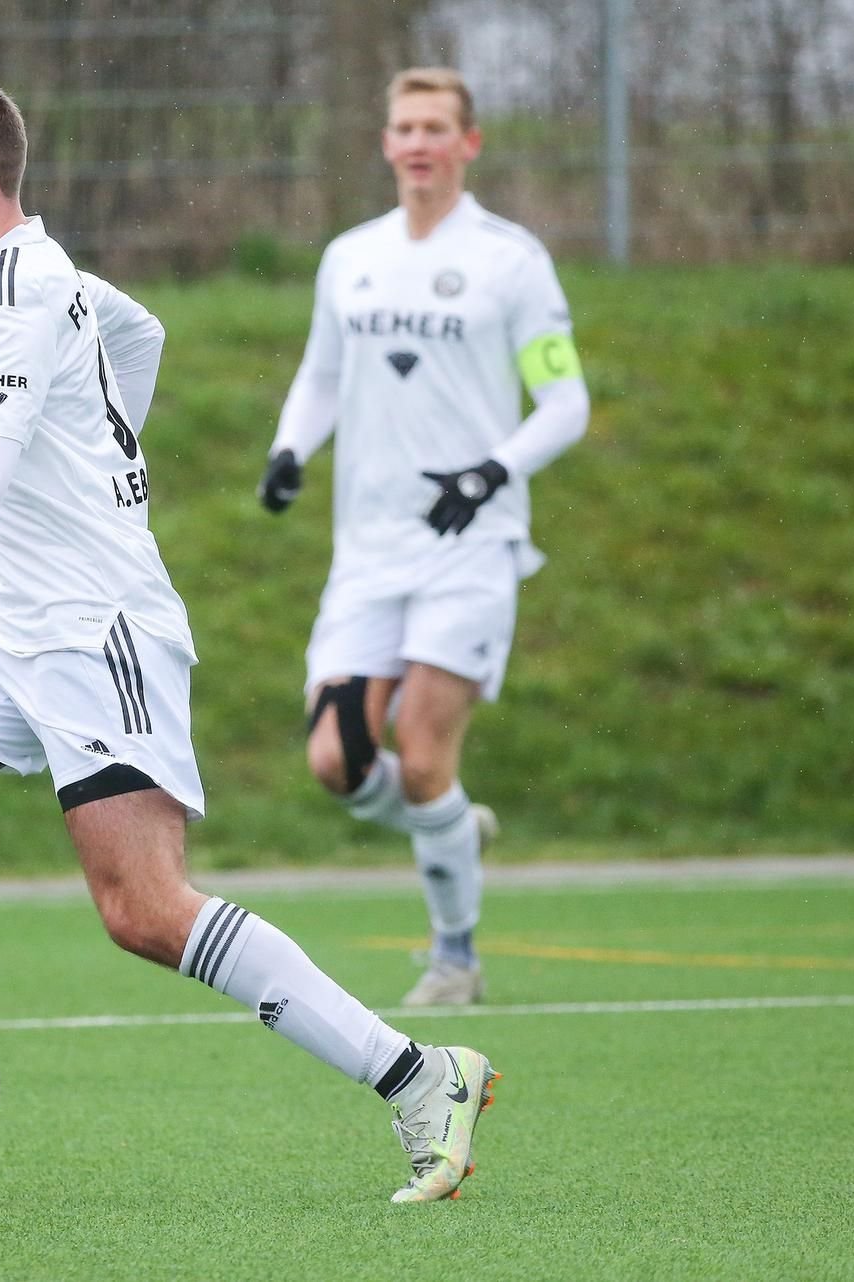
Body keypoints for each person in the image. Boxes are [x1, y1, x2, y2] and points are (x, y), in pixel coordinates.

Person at [0, 71, 497, 1202]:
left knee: (145, 912)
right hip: (22, 633)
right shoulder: (33, 271)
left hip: (96, 634)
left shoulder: (11, 292)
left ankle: (420, 1074)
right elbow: (140, 329)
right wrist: (103, 448)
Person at [258, 68, 591, 1006]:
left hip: (471, 546)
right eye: (403, 126)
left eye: (436, 127)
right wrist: (290, 448)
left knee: (425, 750)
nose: (417, 143)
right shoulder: (350, 257)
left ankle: (456, 958)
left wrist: (491, 471)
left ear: (468, 143)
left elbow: (566, 403)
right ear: (386, 142)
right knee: (337, 763)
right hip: (368, 550)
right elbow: (322, 374)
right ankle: (450, 828)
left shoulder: (512, 260)